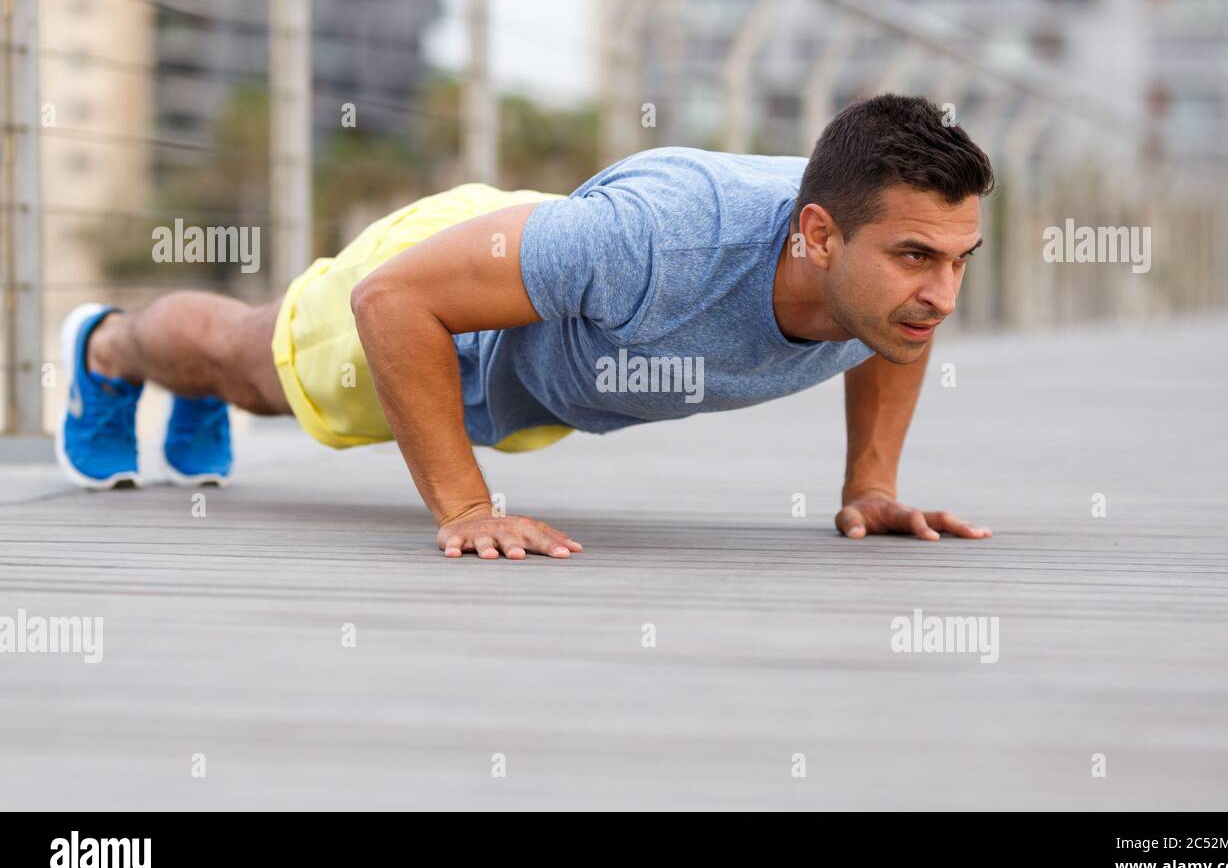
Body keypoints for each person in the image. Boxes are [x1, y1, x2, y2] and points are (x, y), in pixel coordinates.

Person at [57, 93, 995, 559]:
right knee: (244, 363)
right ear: (819, 237)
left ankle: (194, 406)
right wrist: (468, 510)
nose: (941, 298)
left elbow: (893, 330)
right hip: (446, 303)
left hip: (542, 355)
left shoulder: (881, 267)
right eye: (919, 258)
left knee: (257, 391)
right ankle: (105, 348)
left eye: (961, 260)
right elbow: (394, 303)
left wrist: (871, 486)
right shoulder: (659, 240)